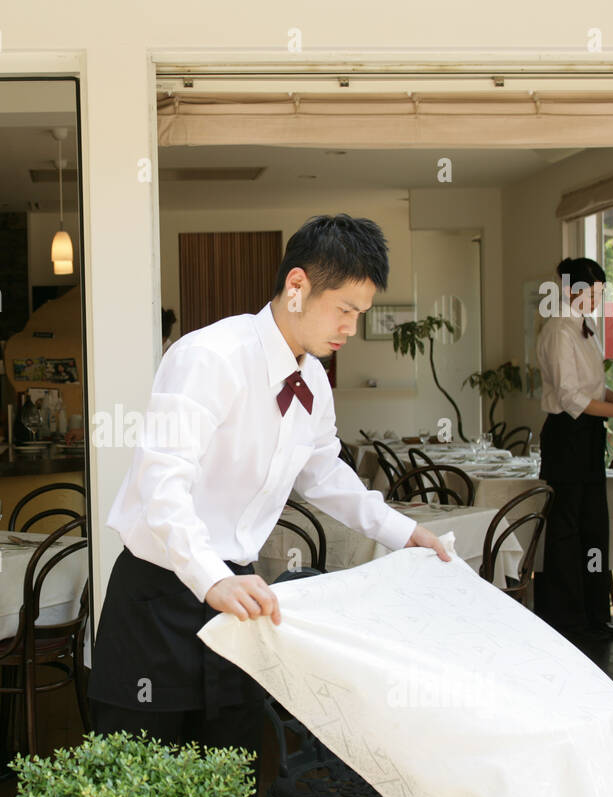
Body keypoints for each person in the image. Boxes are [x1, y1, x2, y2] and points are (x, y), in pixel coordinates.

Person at [89, 214, 452, 765]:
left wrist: (405, 533)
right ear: (298, 286)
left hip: (238, 599)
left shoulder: (314, 382)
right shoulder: (207, 357)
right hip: (158, 603)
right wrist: (209, 578)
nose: (351, 328)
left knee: (232, 786)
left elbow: (325, 474)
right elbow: (161, 482)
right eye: (346, 310)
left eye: (361, 314)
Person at [532, 258, 613, 640]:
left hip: (589, 434)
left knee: (593, 525)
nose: (598, 298)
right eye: (594, 291)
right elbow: (572, 398)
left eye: (601, 292)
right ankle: (566, 620)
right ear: (573, 290)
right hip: (566, 436)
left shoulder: (585, 328)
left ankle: (595, 615)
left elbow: (597, 390)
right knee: (566, 527)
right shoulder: (559, 330)